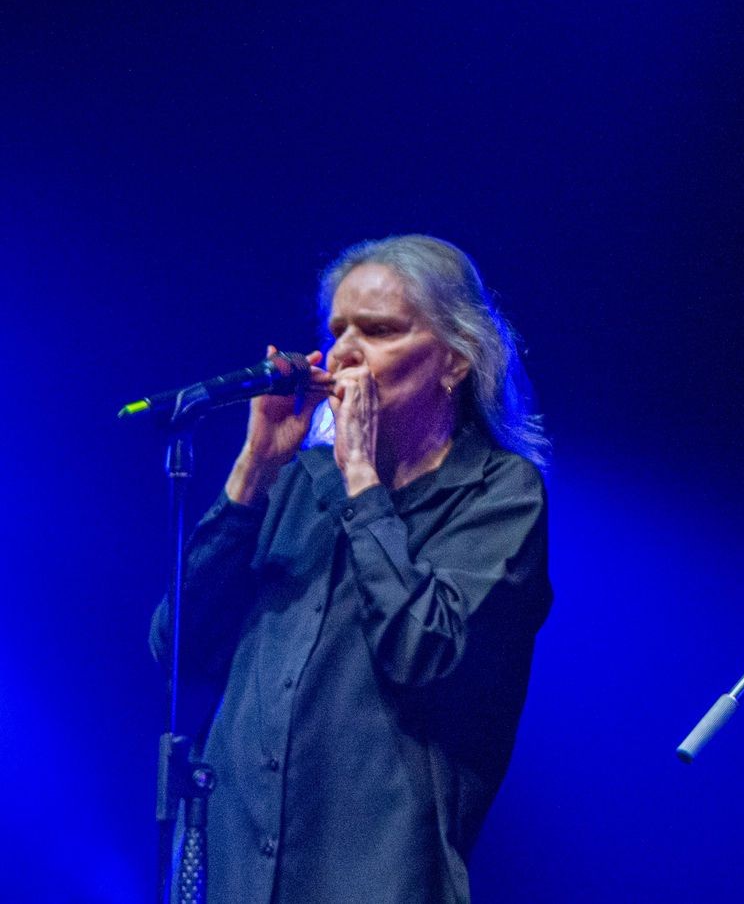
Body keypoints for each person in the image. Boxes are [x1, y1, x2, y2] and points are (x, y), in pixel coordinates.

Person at [151, 235, 552, 904]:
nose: (343, 352)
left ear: (454, 362)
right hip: (236, 874)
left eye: (380, 330)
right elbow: (178, 649)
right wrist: (254, 471)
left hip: (373, 876)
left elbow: (424, 652)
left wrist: (363, 479)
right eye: (336, 329)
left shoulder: (500, 495)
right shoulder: (300, 483)